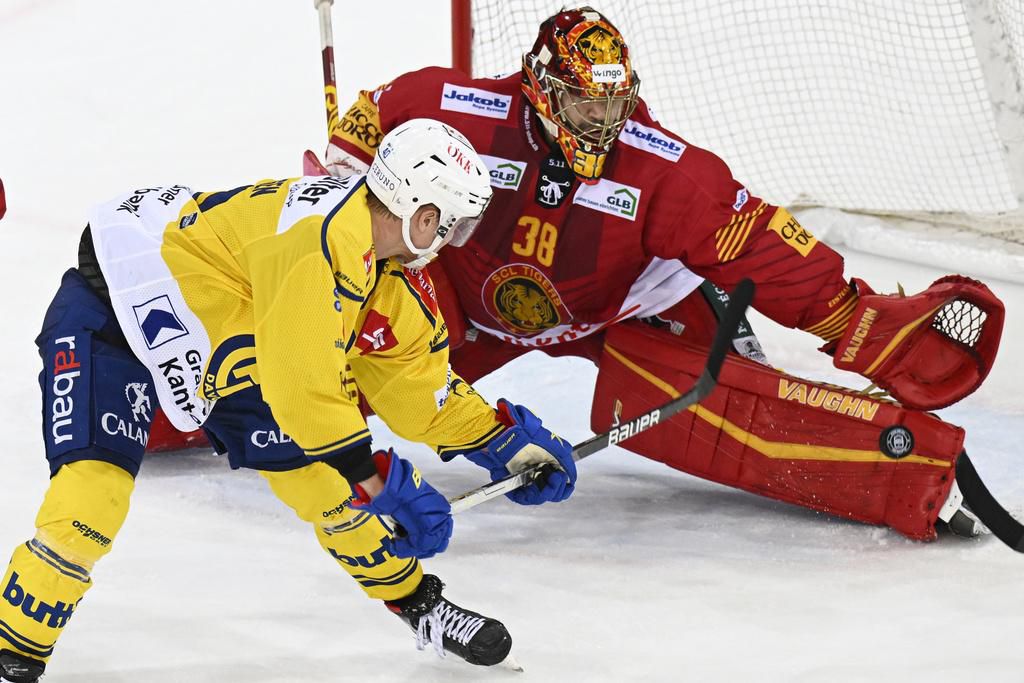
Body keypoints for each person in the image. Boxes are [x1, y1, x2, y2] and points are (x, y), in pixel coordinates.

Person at [311, 7, 1005, 542]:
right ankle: (209, 401)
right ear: (544, 90)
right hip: (463, 306)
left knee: (728, 406)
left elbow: (757, 241)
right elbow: (376, 116)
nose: (603, 124)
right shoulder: (461, 111)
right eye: (587, 107)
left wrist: (848, 319)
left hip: (624, 308)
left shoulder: (663, 169)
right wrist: (344, 182)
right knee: (321, 382)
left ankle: (906, 478)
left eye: (614, 106)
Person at [0, 118, 578, 682]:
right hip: (123, 302)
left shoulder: (385, 270)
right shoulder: (319, 244)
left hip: (231, 324)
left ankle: (418, 604)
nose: (452, 239)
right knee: (93, 497)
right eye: (452, 224)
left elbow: (416, 386)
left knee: (329, 488)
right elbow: (301, 387)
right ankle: (11, 643)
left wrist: (501, 441)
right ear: (422, 214)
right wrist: (377, 479)